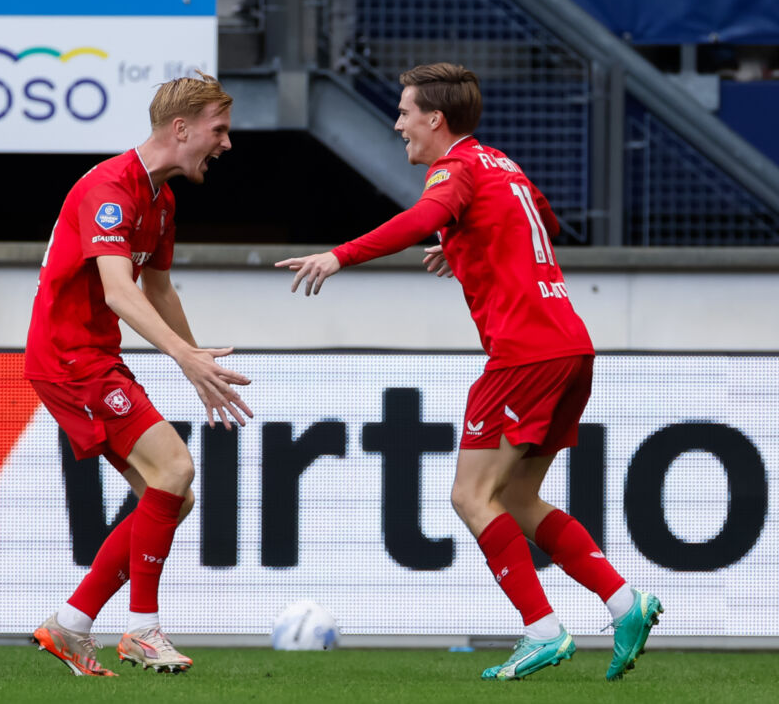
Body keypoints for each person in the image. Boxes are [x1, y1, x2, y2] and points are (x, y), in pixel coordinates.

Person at [275, 62, 662, 682]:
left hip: (524, 353)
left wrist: (339, 254)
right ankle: (624, 602)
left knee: (468, 495)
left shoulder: (452, 169)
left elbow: (420, 218)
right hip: (570, 344)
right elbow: (543, 223)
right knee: (514, 497)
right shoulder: (501, 164)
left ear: (435, 119)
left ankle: (542, 631)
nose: (398, 123)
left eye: (404, 112)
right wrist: (466, 240)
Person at [25, 72, 252, 676]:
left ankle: (70, 624)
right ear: (181, 129)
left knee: (171, 498)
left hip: (92, 356)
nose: (226, 143)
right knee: (174, 468)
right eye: (219, 129)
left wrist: (198, 361)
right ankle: (142, 629)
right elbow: (120, 291)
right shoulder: (110, 188)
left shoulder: (161, 198)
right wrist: (180, 354)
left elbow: (158, 288)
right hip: (71, 358)